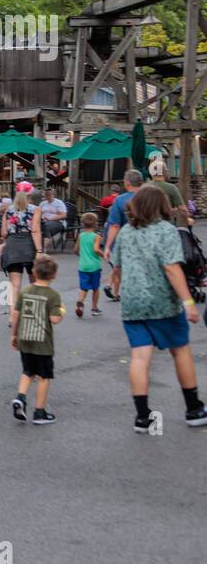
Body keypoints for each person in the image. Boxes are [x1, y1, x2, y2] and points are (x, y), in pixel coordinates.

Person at [109, 185, 207, 431]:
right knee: (180, 351)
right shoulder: (166, 231)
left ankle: (143, 416)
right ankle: (193, 408)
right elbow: (172, 269)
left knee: (140, 357)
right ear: (161, 206)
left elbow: (117, 267)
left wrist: (117, 289)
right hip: (162, 301)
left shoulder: (126, 232)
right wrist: (188, 302)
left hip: (133, 303)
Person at [10, 253, 65, 425]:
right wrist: (61, 311)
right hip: (43, 342)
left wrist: (14, 334)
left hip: (25, 339)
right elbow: (55, 319)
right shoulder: (53, 295)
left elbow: (15, 314)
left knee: (28, 371)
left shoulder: (25, 291)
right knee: (43, 376)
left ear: (33, 271)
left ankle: (21, 397)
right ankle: (39, 412)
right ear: (54, 275)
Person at [102, 170, 144, 302]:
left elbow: (114, 225)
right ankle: (115, 290)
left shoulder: (120, 200)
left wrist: (107, 246)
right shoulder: (149, 197)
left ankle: (115, 289)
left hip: (125, 240)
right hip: (145, 241)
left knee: (118, 265)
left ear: (127, 183)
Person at [0, 190, 44, 306]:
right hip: (29, 246)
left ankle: (12, 318)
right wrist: (39, 250)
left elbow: (3, 233)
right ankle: (32, 310)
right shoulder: (35, 209)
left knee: (15, 285)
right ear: (30, 197)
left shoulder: (8, 210)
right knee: (34, 282)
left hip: (12, 246)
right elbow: (35, 230)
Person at [75, 212, 103, 318]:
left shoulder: (81, 236)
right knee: (95, 288)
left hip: (83, 266)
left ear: (83, 224)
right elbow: (96, 249)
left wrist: (81, 256)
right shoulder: (96, 236)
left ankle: (80, 301)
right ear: (95, 224)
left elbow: (76, 250)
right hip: (94, 266)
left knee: (84, 287)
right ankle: (94, 308)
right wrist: (103, 254)